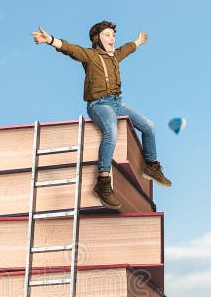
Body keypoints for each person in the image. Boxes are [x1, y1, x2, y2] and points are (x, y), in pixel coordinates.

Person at [30, 20, 171, 210]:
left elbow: (126, 49)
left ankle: (151, 166)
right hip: (98, 104)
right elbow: (70, 49)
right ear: (97, 39)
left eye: (113, 35)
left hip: (117, 103)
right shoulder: (90, 55)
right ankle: (103, 181)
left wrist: (138, 42)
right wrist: (51, 40)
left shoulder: (115, 56)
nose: (112, 39)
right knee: (111, 133)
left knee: (149, 126)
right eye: (107, 35)